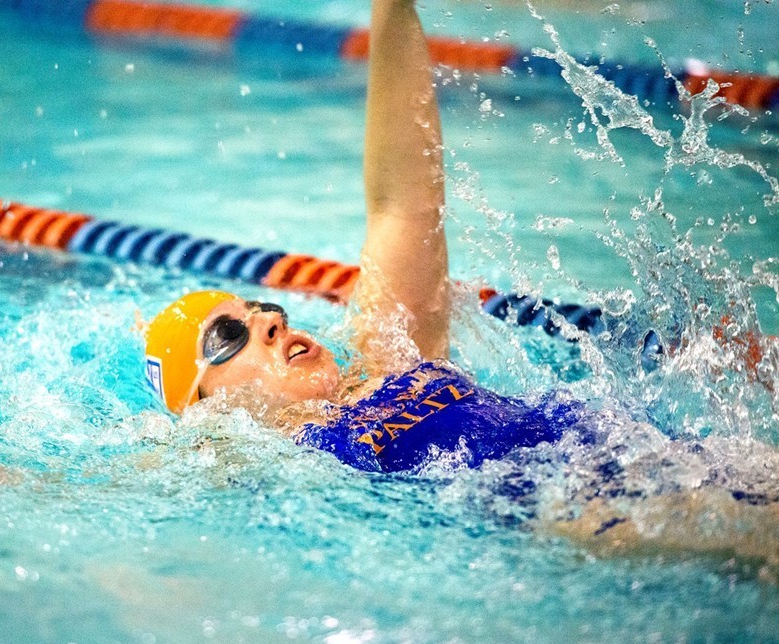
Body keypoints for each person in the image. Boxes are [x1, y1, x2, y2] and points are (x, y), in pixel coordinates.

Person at [141, 0, 779, 573]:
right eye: (228, 336)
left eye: (261, 308)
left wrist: (391, 6)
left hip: (661, 456)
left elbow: (402, 205)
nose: (269, 321)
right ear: (204, 406)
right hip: (603, 517)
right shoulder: (273, 462)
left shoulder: (392, 355)